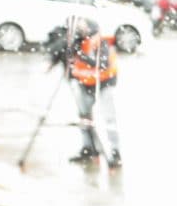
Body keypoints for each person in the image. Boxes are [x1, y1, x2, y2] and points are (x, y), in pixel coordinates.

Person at [48, 14, 122, 168]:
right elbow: (59, 57)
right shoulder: (74, 42)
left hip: (104, 83)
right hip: (84, 83)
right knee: (84, 117)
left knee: (109, 118)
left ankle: (115, 153)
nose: (80, 31)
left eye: (83, 28)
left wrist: (80, 54)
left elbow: (100, 64)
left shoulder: (101, 43)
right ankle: (89, 150)